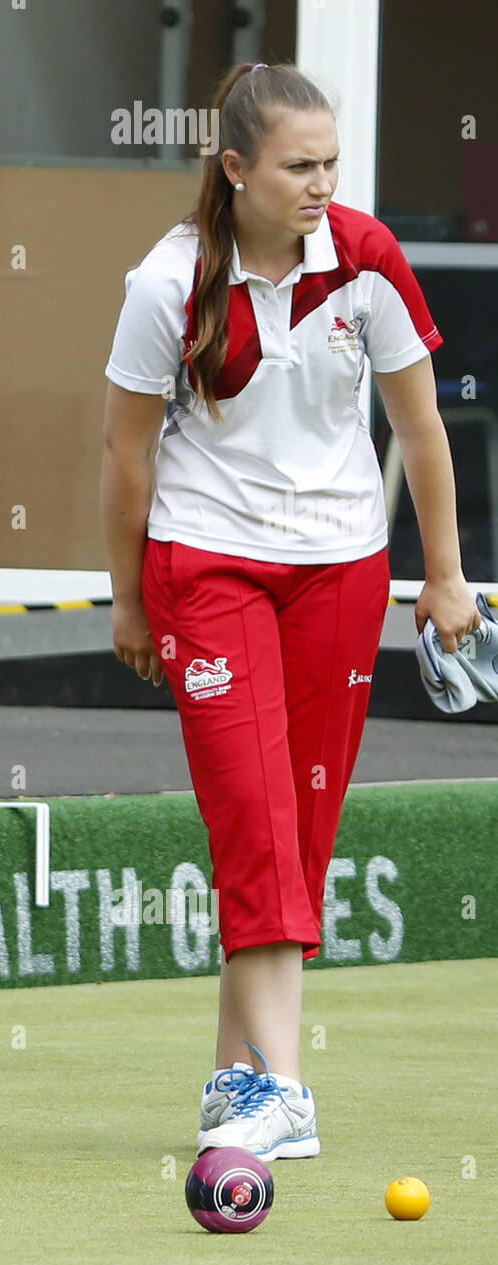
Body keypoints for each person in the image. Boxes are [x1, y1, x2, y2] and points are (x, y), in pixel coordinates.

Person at [101, 64, 477, 1160]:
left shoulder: (366, 257)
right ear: (234, 169)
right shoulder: (166, 282)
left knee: (301, 827)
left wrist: (444, 575)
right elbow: (125, 452)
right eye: (300, 167)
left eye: (332, 165)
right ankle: (290, 1094)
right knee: (253, 813)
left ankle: (238, 1077)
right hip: (207, 563)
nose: (324, 186)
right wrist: (129, 596)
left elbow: (421, 428)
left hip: (343, 569)